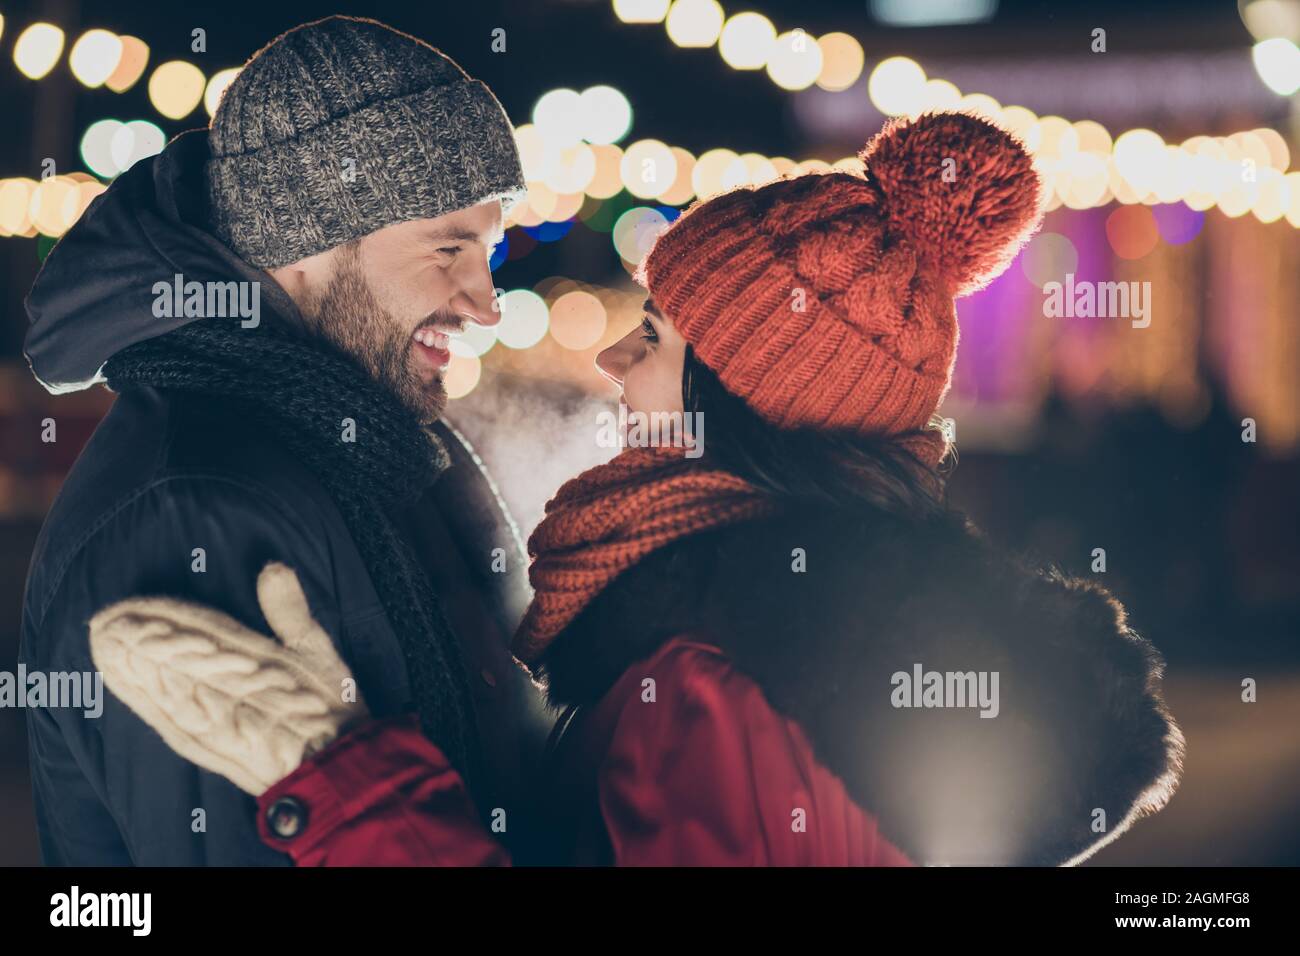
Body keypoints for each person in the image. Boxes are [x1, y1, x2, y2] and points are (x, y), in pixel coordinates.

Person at [87, 112, 1185, 866]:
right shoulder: (824, 624)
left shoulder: (720, 679)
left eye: (654, 336)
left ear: (743, 392)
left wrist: (351, 788)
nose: (614, 362)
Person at [21, 15, 552, 865]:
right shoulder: (199, 508)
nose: (486, 303)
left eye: (489, 252)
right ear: (303, 243)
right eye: (449, 247)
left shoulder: (375, 442)